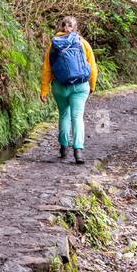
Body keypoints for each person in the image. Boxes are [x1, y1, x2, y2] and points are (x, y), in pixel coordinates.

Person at [39, 15, 98, 164]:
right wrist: (92, 85)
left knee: (64, 114)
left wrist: (44, 91)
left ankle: (64, 148)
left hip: (60, 86)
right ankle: (78, 151)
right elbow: (92, 66)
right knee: (77, 116)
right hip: (80, 86)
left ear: (60, 28)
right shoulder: (82, 43)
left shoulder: (54, 45)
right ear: (76, 28)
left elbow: (47, 68)